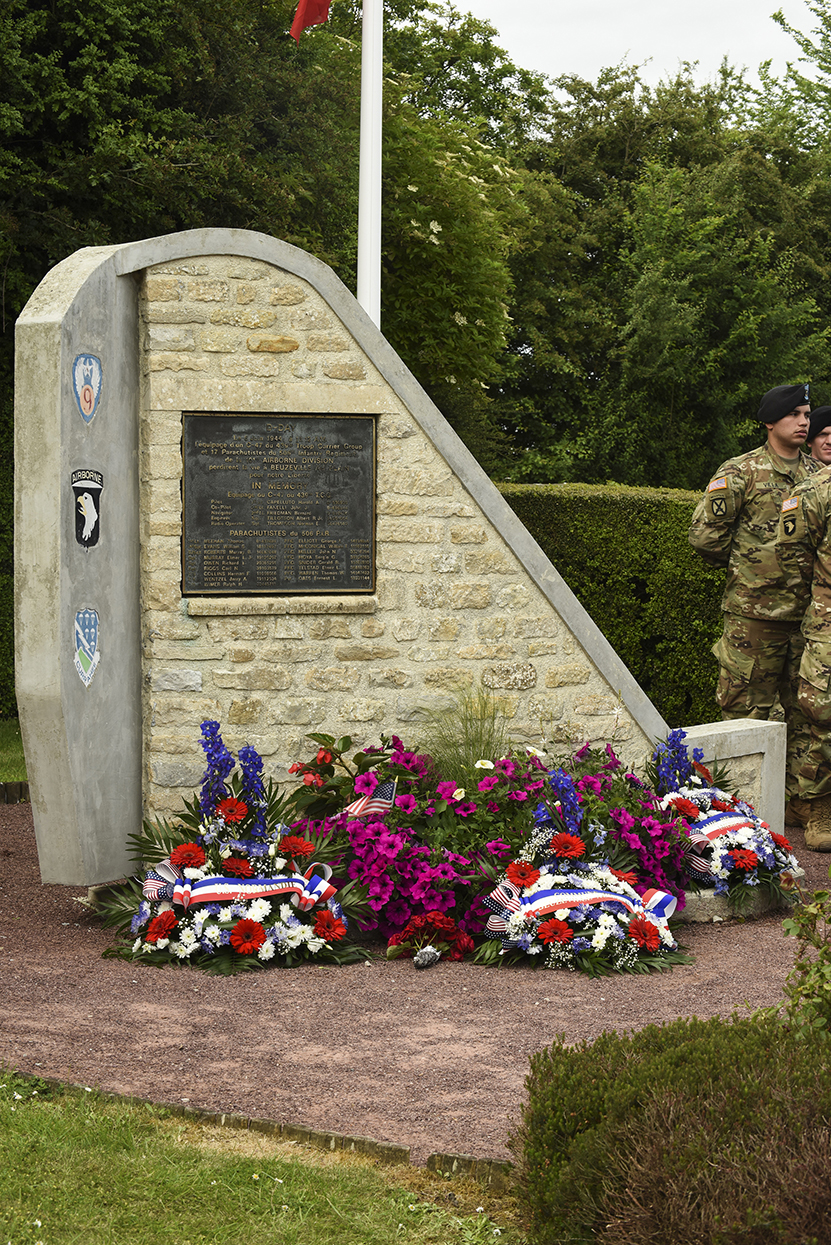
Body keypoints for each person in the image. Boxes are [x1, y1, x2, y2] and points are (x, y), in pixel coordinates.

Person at [689, 384, 818, 826]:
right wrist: (749, 569)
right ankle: (737, 805)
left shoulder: (820, 472)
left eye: (806, 413)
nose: (804, 421)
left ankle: (800, 802)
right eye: (794, 414)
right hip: (754, 616)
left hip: (809, 617)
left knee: (807, 712)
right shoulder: (741, 472)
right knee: (745, 707)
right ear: (769, 421)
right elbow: (706, 536)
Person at [776, 460, 831, 848]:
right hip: (830, 625)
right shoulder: (816, 490)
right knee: (823, 716)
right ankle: (820, 808)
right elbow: (791, 553)